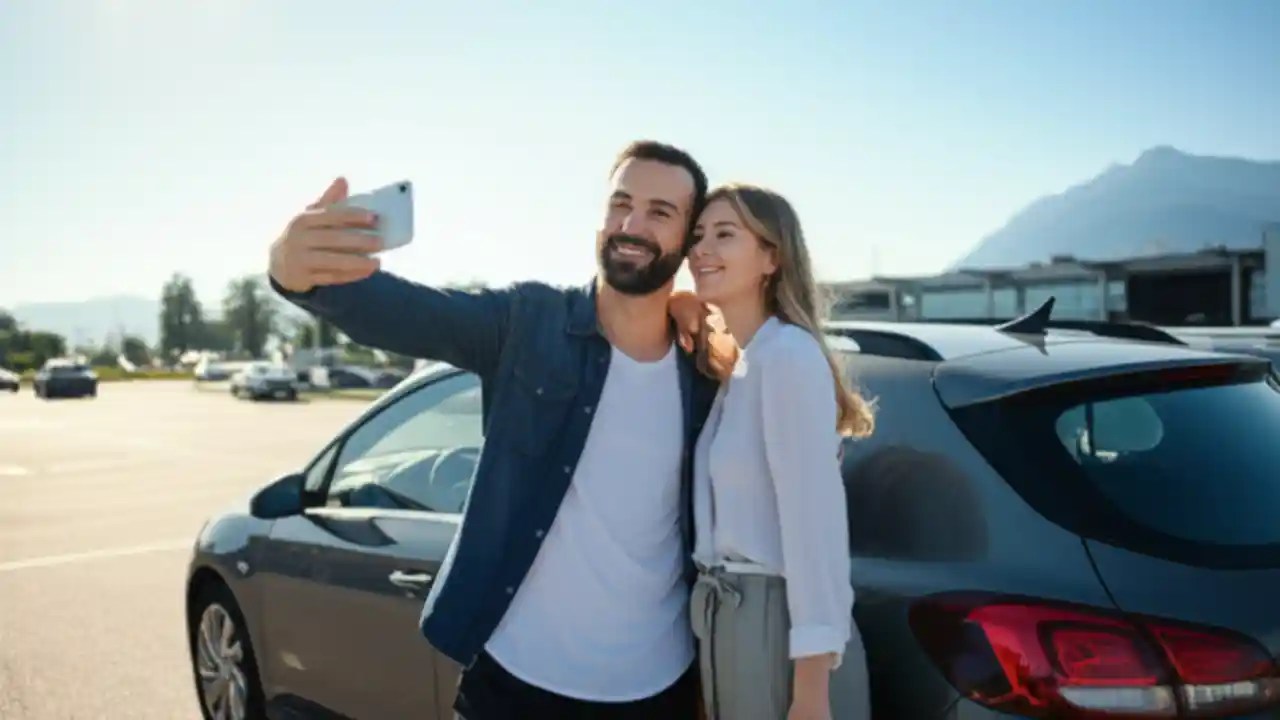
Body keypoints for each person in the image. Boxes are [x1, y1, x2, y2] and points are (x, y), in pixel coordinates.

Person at [267, 140, 719, 719]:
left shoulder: (705, 369)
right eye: (621, 203)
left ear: (686, 239)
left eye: (660, 212)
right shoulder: (528, 324)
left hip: (658, 691)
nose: (631, 224)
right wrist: (296, 273)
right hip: (513, 685)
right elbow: (405, 311)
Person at [675, 183, 876, 720]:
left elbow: (816, 528)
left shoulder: (787, 357)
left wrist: (810, 693)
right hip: (730, 621)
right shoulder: (743, 364)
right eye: (697, 236)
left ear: (771, 256)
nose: (700, 249)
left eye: (724, 234)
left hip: (777, 630)